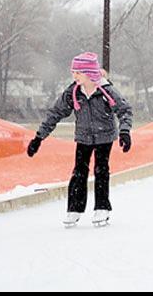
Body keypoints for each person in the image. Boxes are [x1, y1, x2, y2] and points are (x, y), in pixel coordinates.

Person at [27, 52, 133, 228]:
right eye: (73, 72)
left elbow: (125, 110)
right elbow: (55, 113)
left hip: (104, 136)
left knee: (101, 170)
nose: (74, 76)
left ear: (89, 73)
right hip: (83, 137)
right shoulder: (73, 92)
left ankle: (102, 207)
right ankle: (74, 208)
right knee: (79, 171)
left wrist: (125, 132)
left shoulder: (106, 91)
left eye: (78, 72)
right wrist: (39, 137)